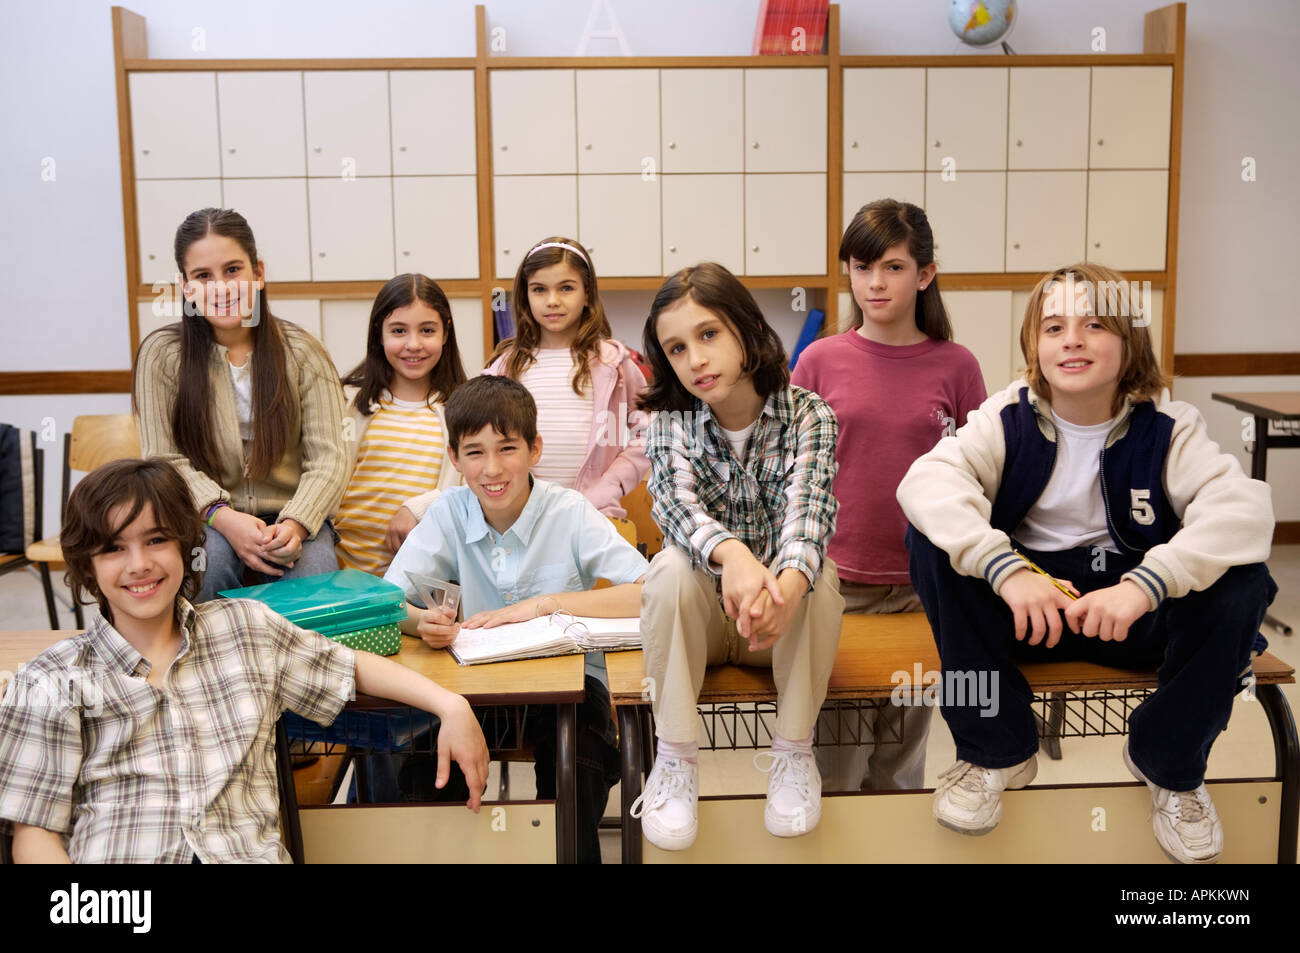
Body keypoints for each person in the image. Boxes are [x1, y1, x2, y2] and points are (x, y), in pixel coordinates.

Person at [897, 262, 1277, 864]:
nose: (1071, 338)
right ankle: (997, 751)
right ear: (1034, 348)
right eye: (1053, 327)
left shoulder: (1170, 426)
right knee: (933, 540)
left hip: (1127, 616)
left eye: (1094, 323)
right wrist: (1008, 570)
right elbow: (927, 483)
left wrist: (1147, 585)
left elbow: (1246, 512)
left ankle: (1170, 765)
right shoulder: (1006, 416)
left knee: (1243, 578)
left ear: (1130, 343)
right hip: (1031, 615)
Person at [0, 458, 489, 864]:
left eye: (155, 541)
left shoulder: (246, 629)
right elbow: (34, 835)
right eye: (113, 549)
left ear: (187, 548)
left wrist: (450, 705)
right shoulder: (51, 678)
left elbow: (349, 665)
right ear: (87, 566)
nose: (138, 565)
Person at [384, 374, 649, 863]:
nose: (492, 468)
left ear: (534, 449)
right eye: (475, 452)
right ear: (454, 458)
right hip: (476, 688)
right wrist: (423, 622)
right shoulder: (447, 513)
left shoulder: (570, 512)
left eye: (507, 448)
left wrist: (548, 604)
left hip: (571, 686)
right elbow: (388, 602)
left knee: (578, 769)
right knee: (430, 772)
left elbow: (648, 590)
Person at [631, 262, 844, 851]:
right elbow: (676, 509)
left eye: (708, 334)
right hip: (706, 625)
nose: (695, 359)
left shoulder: (809, 414)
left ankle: (794, 753)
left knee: (819, 576)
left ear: (747, 330)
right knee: (670, 567)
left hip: (781, 620)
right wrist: (735, 556)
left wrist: (786, 585)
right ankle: (674, 760)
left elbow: (810, 518)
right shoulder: (670, 423)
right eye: (676, 347)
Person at [792, 199, 986, 793]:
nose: (875, 282)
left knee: (902, 758)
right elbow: (790, 471)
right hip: (835, 584)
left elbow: (982, 473)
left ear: (925, 274)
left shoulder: (956, 366)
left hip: (923, 588)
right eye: (862, 266)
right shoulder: (819, 360)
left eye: (894, 267)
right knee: (836, 760)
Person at [133, 208, 348, 601]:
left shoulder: (303, 351)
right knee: (208, 562)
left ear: (258, 273)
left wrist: (296, 525)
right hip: (206, 519)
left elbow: (329, 458)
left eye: (232, 270)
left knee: (314, 576)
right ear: (185, 286)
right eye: (203, 276)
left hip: (293, 516)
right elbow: (164, 459)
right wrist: (223, 518)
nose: (221, 288)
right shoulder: (162, 355)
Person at [485, 236, 649, 518]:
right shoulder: (503, 369)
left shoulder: (616, 364)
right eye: (539, 289)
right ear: (525, 297)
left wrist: (608, 487)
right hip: (519, 516)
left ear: (587, 295)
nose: (552, 301)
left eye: (566, 288)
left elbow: (650, 433)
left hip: (595, 515)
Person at [337, 273, 468, 574]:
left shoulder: (461, 409)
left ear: (445, 333)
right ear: (378, 334)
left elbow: (473, 487)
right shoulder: (348, 401)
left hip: (422, 578)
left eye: (427, 330)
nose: (413, 344)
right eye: (398, 331)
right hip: (341, 572)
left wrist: (420, 505)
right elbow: (325, 475)